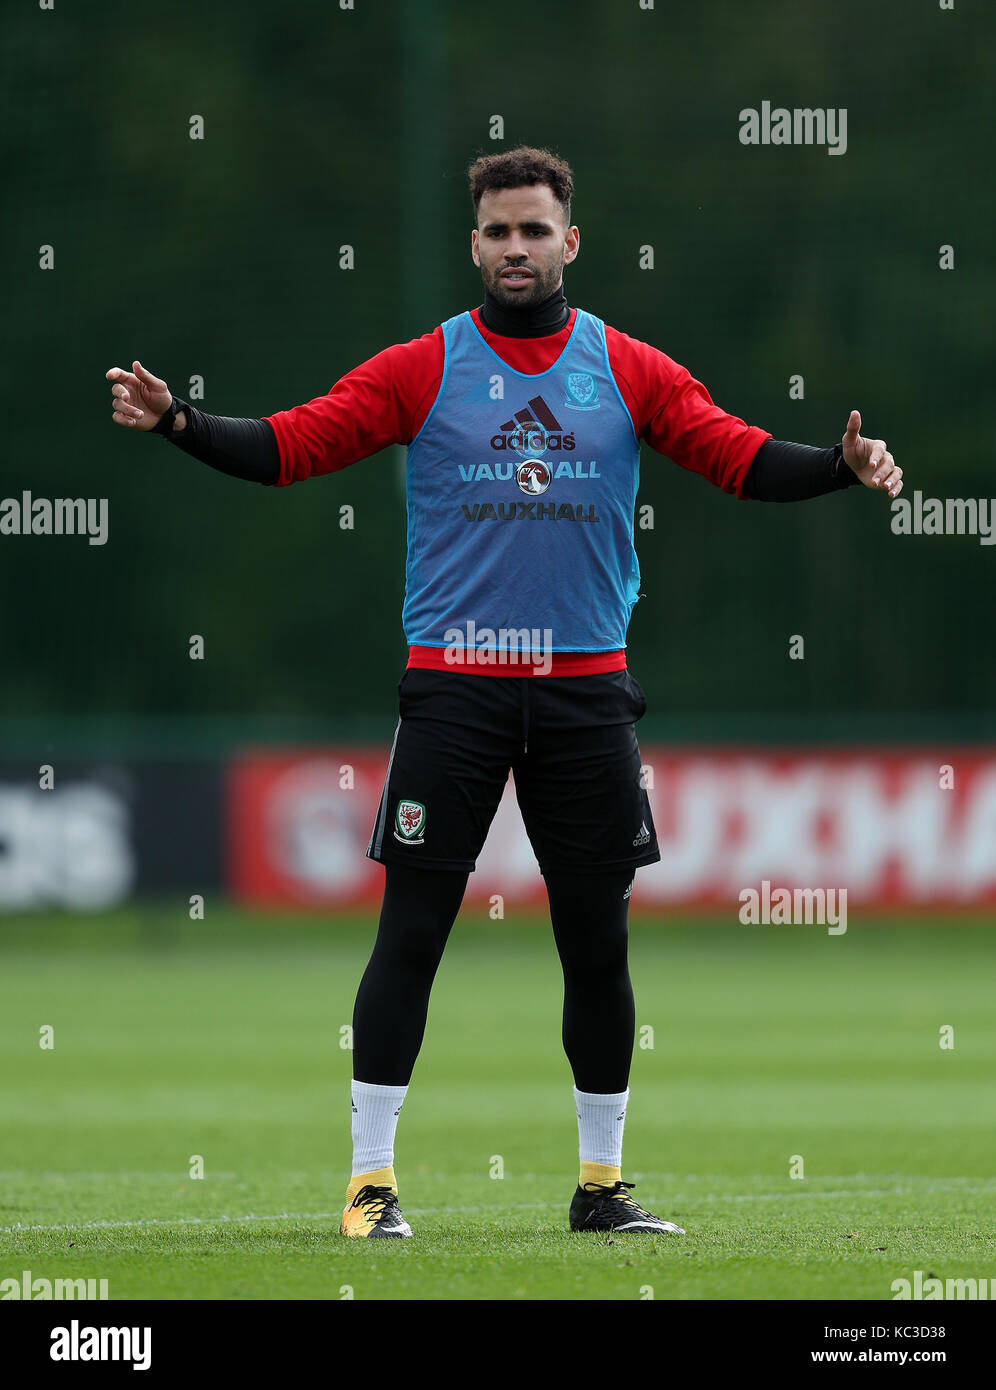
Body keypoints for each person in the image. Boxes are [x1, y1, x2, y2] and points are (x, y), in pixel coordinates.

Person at [106, 145, 902, 1240]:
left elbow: (734, 455)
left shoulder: (628, 368)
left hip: (585, 699)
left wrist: (835, 466)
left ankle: (601, 1186)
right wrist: (183, 423)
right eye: (497, 231)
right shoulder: (421, 369)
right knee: (414, 931)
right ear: (473, 244)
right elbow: (293, 446)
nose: (516, 248)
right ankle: (371, 1186)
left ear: (570, 242)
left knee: (597, 942)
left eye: (535, 229)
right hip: (456, 694)